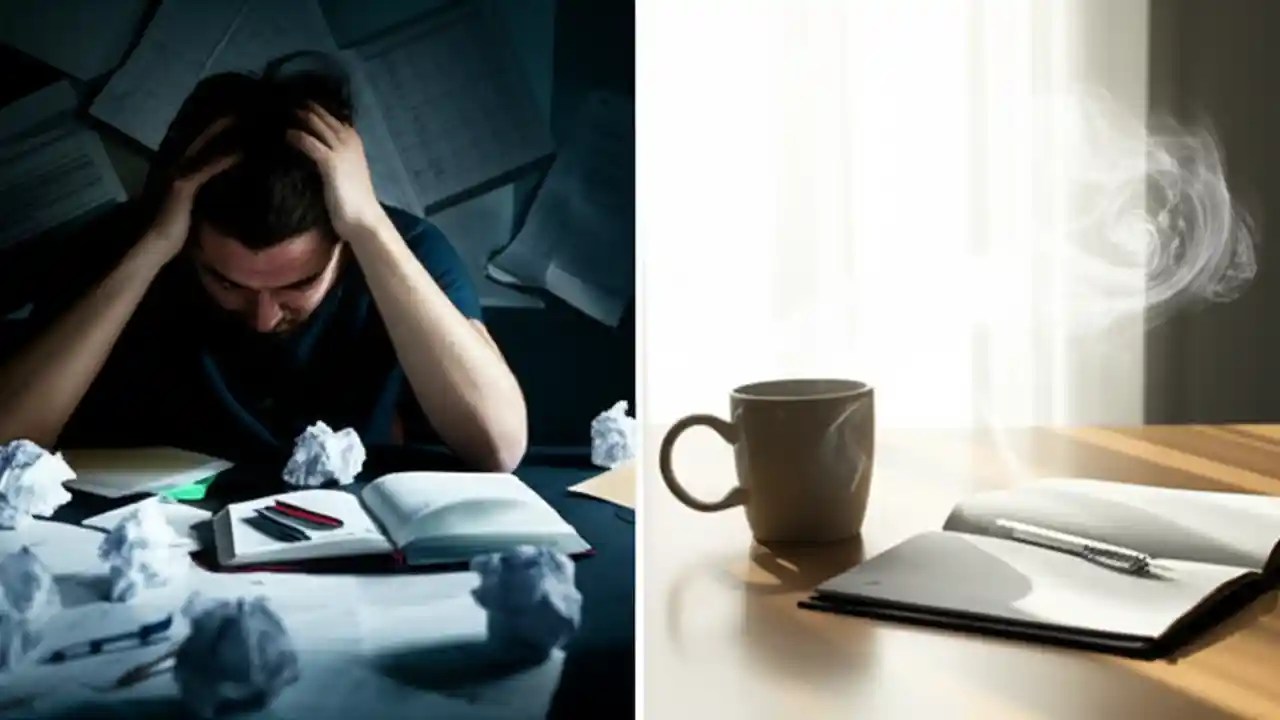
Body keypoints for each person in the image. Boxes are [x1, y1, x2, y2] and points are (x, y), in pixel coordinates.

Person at [0, 59, 528, 472]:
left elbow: (499, 446)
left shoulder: (398, 245)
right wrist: (154, 247)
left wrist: (368, 226)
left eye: (299, 284)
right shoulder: (117, 246)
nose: (264, 318)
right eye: (226, 281)